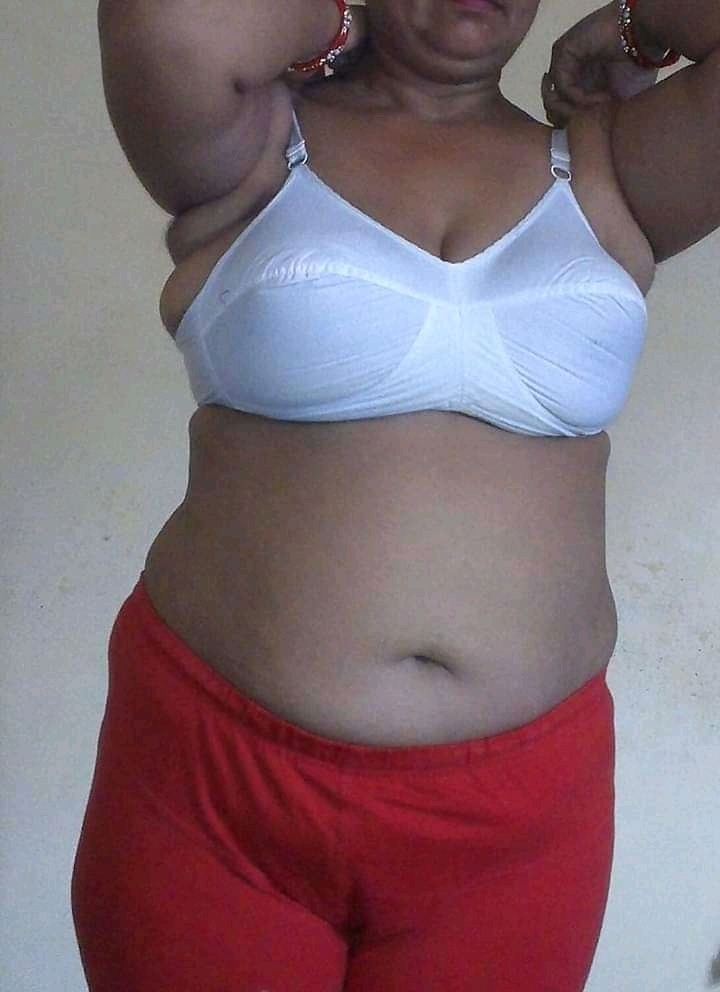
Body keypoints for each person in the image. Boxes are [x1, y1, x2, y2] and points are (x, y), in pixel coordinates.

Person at [71, 1, 720, 989]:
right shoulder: (254, 147)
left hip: (516, 823)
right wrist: (343, 22)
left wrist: (641, 21)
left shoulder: (610, 168)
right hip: (220, 784)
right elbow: (171, 26)